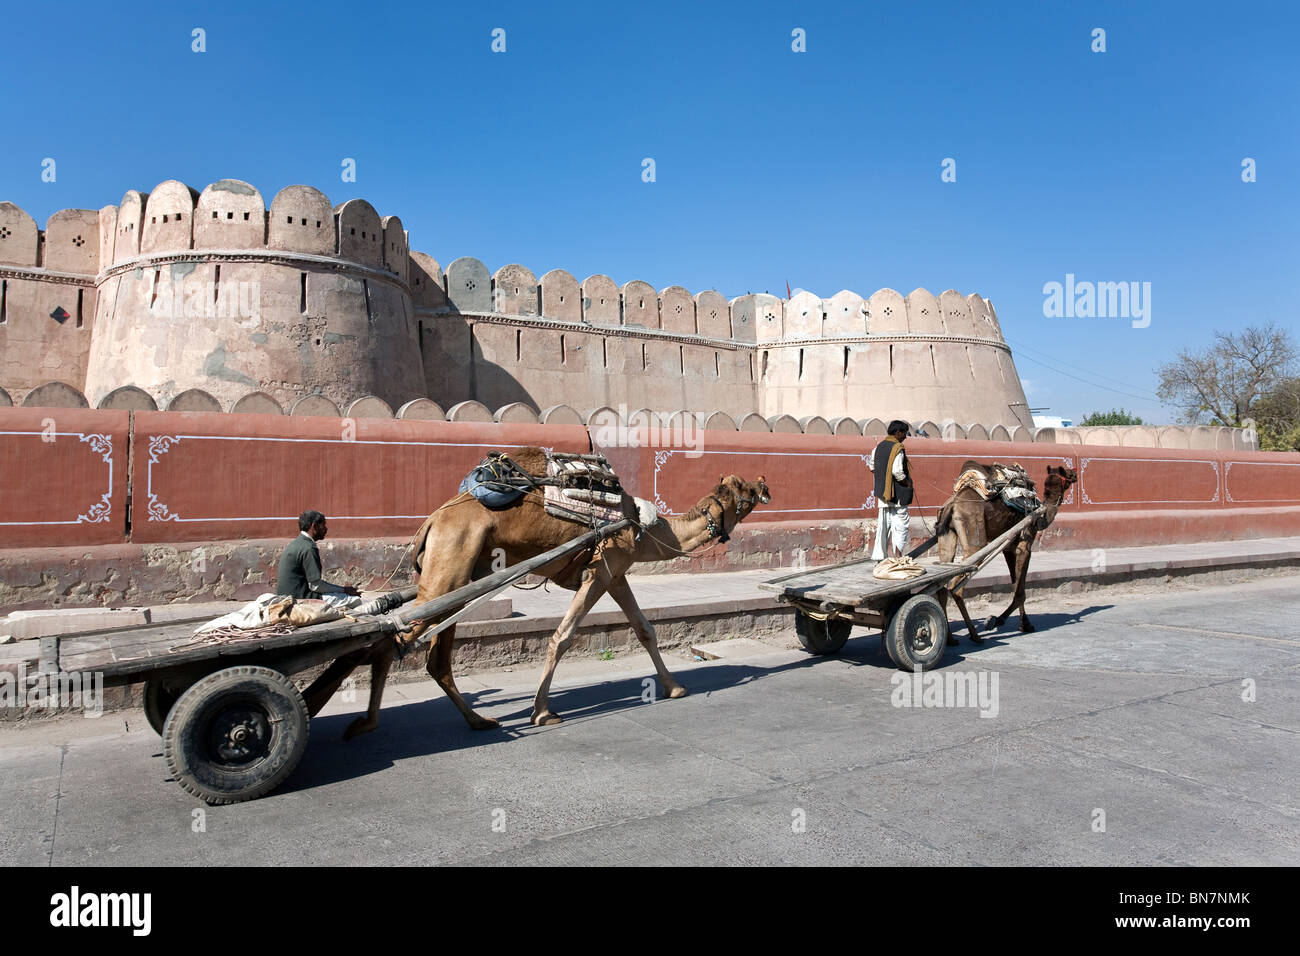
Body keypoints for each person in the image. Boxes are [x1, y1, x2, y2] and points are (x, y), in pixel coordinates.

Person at [277, 510, 363, 606]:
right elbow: (315, 586)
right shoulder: (309, 548)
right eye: (323, 525)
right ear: (314, 526)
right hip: (299, 599)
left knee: (338, 595)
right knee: (355, 600)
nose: (325, 529)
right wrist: (344, 590)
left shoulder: (296, 543)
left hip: (286, 597)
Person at [869, 420, 913, 560]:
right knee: (901, 524)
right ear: (898, 433)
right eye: (904, 433)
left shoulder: (878, 448)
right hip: (898, 495)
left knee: (883, 525)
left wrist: (884, 478)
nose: (905, 437)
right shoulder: (897, 448)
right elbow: (897, 472)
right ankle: (898, 556)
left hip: (883, 494)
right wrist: (907, 484)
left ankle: (879, 557)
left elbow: (872, 467)